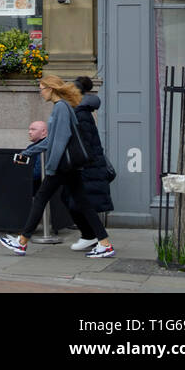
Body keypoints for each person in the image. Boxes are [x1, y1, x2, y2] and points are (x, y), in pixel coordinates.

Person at [0, 74, 115, 259]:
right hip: (69, 166)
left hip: (62, 165)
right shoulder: (62, 107)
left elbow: (58, 140)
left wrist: (51, 166)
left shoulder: (61, 108)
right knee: (83, 203)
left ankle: (22, 242)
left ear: (50, 89)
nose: (40, 93)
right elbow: (52, 140)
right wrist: (28, 152)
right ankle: (105, 243)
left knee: (40, 198)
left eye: (41, 89)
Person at [63, 76, 113, 250]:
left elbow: (83, 141)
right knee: (73, 200)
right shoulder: (77, 110)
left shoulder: (80, 112)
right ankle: (91, 236)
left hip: (85, 166)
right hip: (83, 164)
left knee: (80, 203)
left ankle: (96, 238)